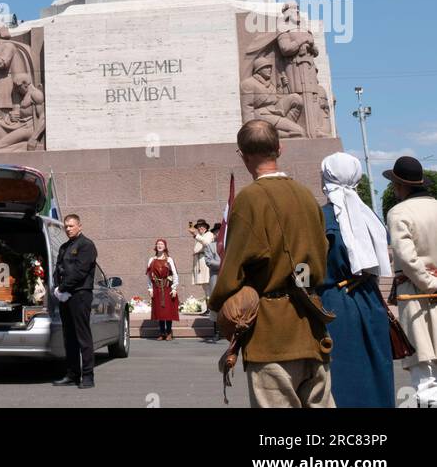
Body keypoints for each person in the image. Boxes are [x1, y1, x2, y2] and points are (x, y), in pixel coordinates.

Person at [208, 119, 334, 408]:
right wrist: (299, 280)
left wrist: (218, 307)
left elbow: (234, 267)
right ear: (280, 148)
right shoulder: (306, 196)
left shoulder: (250, 199)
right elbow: (317, 255)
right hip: (311, 325)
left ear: (242, 154)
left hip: (271, 333)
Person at [315, 152, 394, 408]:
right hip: (370, 301)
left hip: (333, 304)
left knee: (343, 381)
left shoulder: (321, 217)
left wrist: (298, 285)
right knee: (376, 375)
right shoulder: (369, 216)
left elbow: (303, 266)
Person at [384, 155, 437, 407]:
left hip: (416, 294)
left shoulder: (398, 212)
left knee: (424, 373)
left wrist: (429, 283)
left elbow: (405, 256)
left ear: (401, 186)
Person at [52, 213, 98, 389]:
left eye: (71, 226)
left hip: (80, 295)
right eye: (66, 226)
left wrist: (63, 288)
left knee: (82, 336)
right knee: (68, 337)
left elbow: (80, 271)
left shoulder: (87, 245)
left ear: (80, 226)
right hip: (65, 296)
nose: (68, 229)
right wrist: (58, 288)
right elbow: (59, 269)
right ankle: (72, 374)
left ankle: (88, 376)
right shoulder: (64, 247)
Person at [147, 239, 179, 340]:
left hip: (167, 287)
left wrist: (174, 288)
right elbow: (148, 276)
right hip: (157, 288)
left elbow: (175, 274)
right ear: (156, 246)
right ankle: (162, 333)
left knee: (168, 311)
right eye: (158, 244)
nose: (159, 246)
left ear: (165, 247)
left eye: (162, 244)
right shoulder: (151, 260)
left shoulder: (169, 260)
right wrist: (150, 289)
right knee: (160, 311)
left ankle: (169, 332)